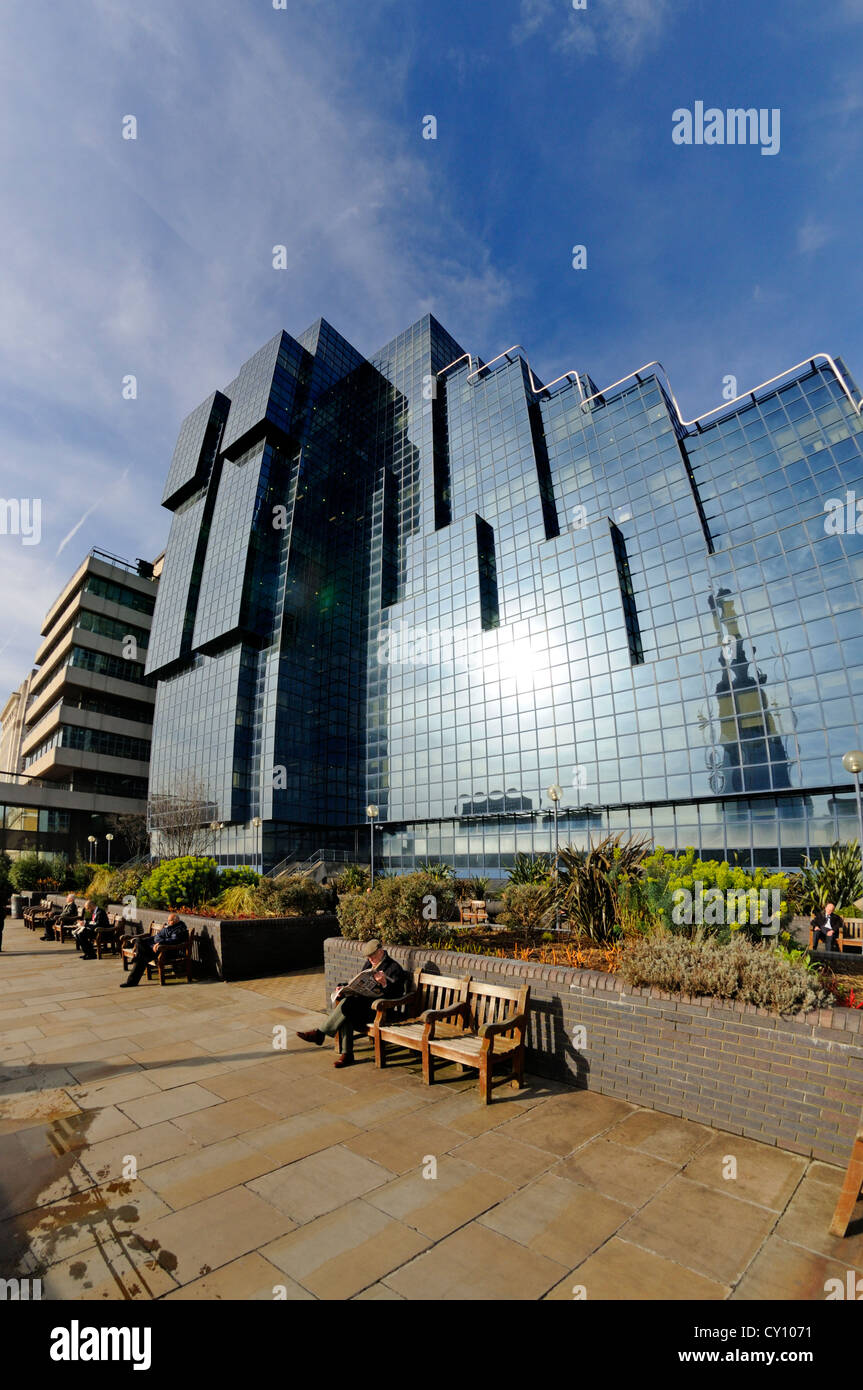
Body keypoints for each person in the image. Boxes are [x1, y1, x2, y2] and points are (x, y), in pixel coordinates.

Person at [297, 937, 407, 1068]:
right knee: (347, 1006)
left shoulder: (394, 968)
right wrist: (343, 988)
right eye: (368, 957)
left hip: (381, 1011)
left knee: (347, 1008)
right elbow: (358, 983)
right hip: (364, 1007)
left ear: (380, 951)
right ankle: (344, 1053)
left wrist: (384, 983)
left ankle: (324, 1037)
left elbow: (397, 996)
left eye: (372, 956)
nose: (370, 959)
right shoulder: (369, 965)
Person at [120, 911, 188, 987]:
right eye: (168, 920)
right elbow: (157, 936)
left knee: (140, 958)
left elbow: (174, 940)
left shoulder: (179, 929)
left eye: (170, 920)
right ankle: (132, 980)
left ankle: (131, 981)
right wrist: (157, 941)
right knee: (139, 942)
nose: (168, 922)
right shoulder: (169, 927)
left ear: (176, 921)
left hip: (166, 951)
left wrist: (160, 943)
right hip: (156, 949)